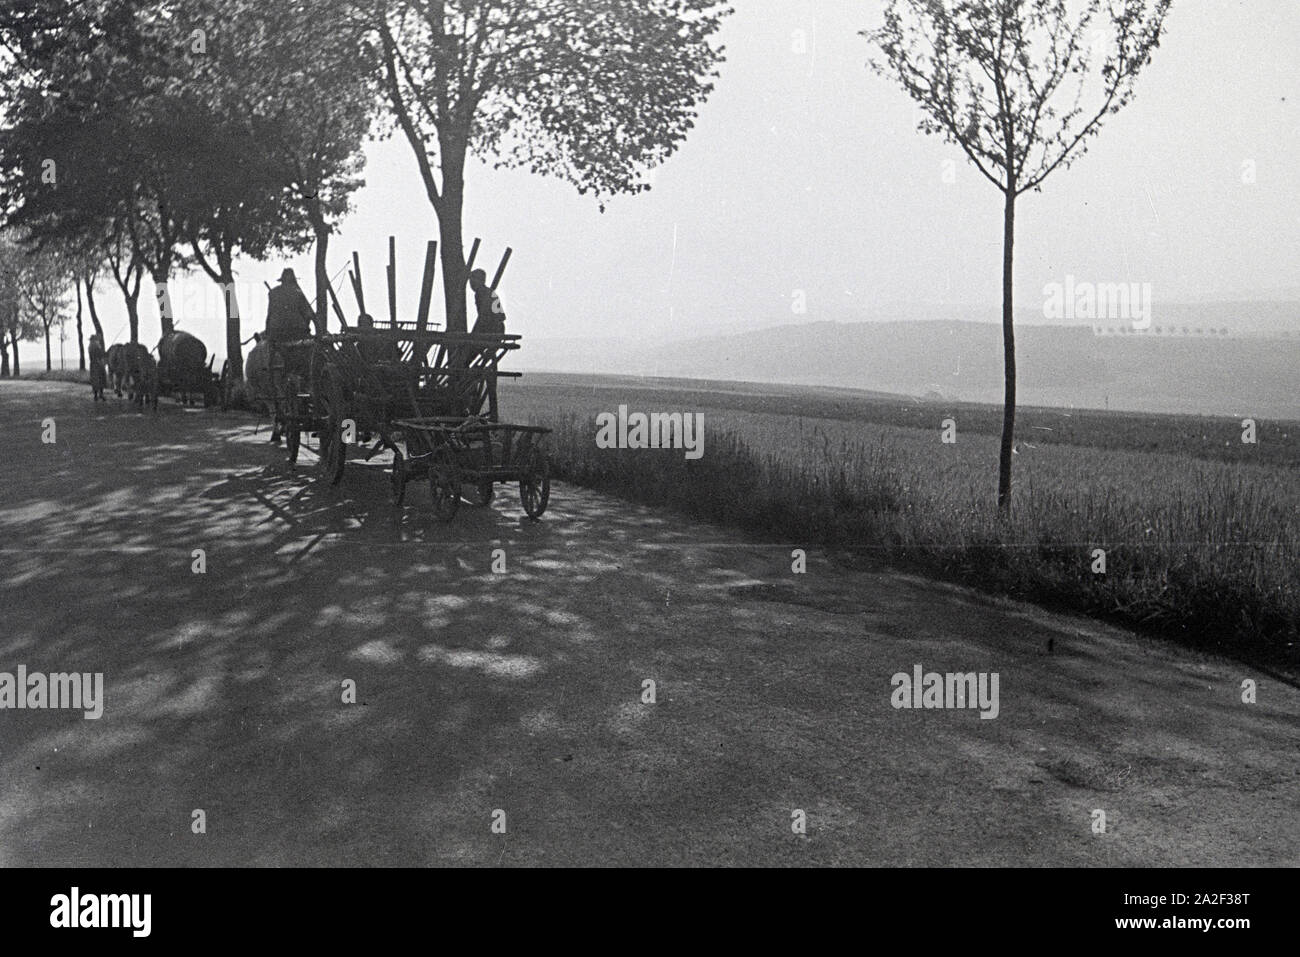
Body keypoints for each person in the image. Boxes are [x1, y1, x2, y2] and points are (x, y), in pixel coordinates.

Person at [467, 269, 505, 420]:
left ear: (479, 280)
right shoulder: (490, 292)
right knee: (483, 366)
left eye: (472, 280)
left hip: (491, 332)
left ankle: (469, 391)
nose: (470, 284)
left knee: (466, 360)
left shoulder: (481, 293)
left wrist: (473, 335)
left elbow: (483, 317)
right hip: (495, 331)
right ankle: (472, 390)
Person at [264, 268, 315, 343]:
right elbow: (307, 316)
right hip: (297, 332)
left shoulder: (273, 293)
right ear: (293, 281)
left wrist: (267, 332)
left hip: (276, 332)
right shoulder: (298, 293)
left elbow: (269, 314)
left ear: (282, 280)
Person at [88, 333, 108, 401]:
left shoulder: (90, 347)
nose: (98, 340)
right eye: (96, 339)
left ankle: (96, 395)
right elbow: (100, 355)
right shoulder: (97, 347)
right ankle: (101, 394)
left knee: (95, 380)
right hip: (98, 364)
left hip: (92, 365)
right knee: (101, 379)